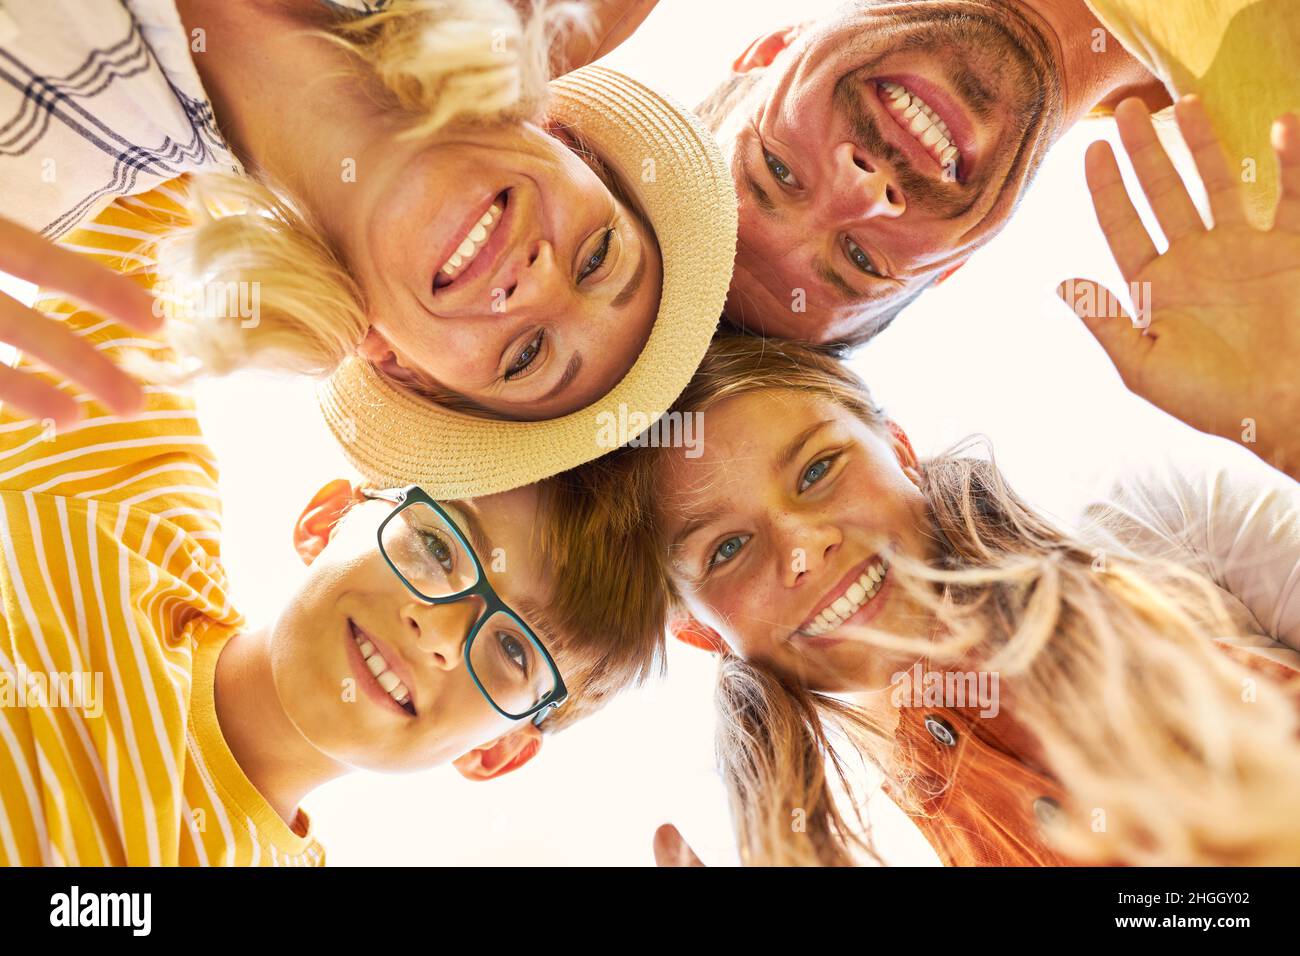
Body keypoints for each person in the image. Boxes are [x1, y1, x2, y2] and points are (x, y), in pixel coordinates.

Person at [0, 184, 668, 865]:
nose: (438, 632)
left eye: (515, 652)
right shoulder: (119, 507)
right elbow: (152, 174)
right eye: (439, 547)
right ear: (327, 518)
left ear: (494, 752)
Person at [555, 332, 1300, 866]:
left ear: (901, 451)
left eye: (818, 471)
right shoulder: (864, 836)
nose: (804, 548)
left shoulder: (1154, 524)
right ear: (698, 633)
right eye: (726, 549)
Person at [0, 0, 736, 445]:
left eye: (524, 358)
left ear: (395, 360)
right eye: (598, 254)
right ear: (565, 143)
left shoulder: (28, 177)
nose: (540, 281)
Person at [695, 0, 1299, 347]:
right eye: (860, 259)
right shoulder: (1282, 187)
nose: (864, 191)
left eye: (776, 170)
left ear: (772, 49)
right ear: (955, 262)